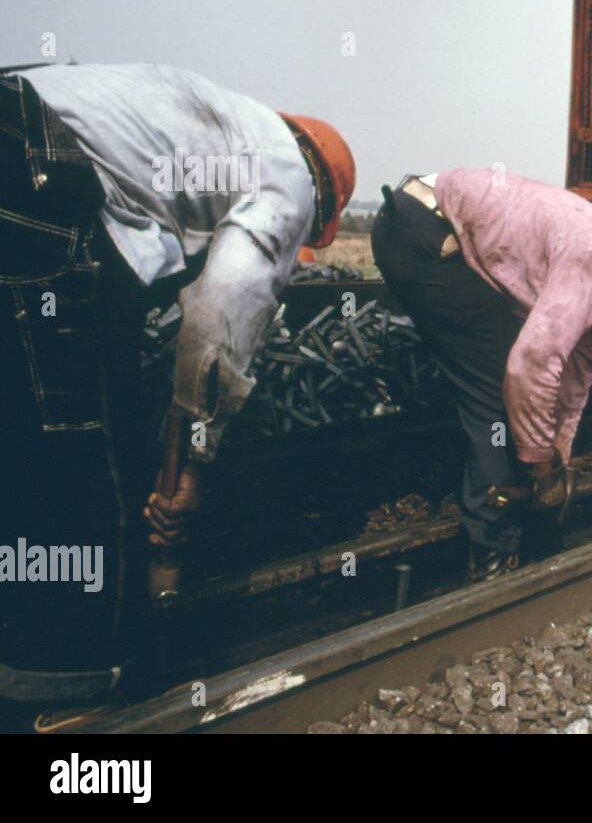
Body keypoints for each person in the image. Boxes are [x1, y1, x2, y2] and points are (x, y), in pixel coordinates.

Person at [0, 63, 354, 699]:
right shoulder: (289, 181)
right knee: (82, 446)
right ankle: (73, 692)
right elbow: (216, 318)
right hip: (32, 170)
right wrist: (192, 460)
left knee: (18, 420)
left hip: (16, 129)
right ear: (321, 200)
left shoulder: (220, 127)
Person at [370, 170, 592, 581]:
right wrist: (538, 464)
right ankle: (491, 550)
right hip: (420, 232)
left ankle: (514, 520)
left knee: (518, 393)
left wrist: (558, 464)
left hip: (433, 228)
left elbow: (570, 389)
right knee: (499, 391)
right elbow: (530, 366)